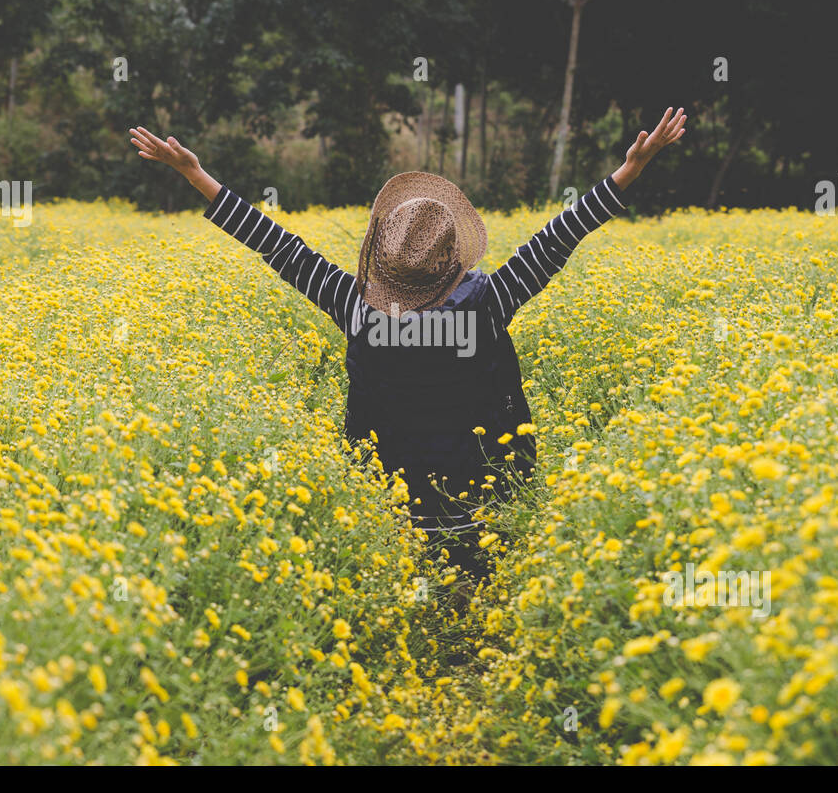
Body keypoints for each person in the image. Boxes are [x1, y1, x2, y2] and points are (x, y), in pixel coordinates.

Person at [129, 107, 686, 596]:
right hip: (484, 505)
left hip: (391, 509)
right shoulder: (487, 302)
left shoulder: (354, 306)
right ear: (451, 258)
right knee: (485, 592)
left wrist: (194, 174)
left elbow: (279, 246)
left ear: (386, 259)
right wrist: (631, 168)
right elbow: (559, 237)